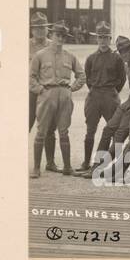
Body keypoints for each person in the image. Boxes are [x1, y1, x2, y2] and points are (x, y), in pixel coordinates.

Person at [91, 33, 130, 180]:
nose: (123, 54)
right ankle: (97, 166)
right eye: (121, 52)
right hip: (128, 102)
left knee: (120, 135)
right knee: (107, 129)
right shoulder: (127, 64)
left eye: (126, 51)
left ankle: (115, 169)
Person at [29, 21, 85, 177]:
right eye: (57, 35)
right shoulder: (40, 56)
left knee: (64, 131)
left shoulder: (70, 56)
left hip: (64, 96)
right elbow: (31, 78)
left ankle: (67, 167)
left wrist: (72, 88)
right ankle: (36, 168)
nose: (60, 38)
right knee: (41, 131)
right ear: (51, 35)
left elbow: (81, 75)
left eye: (63, 36)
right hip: (47, 95)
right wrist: (40, 90)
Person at [76, 21, 127, 174]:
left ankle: (112, 164)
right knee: (90, 130)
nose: (103, 41)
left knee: (113, 130)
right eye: (100, 38)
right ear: (96, 39)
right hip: (94, 96)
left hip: (110, 96)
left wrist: (111, 91)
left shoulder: (117, 58)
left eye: (106, 38)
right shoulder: (91, 58)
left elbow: (122, 79)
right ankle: (86, 162)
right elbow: (88, 78)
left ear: (110, 39)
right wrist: (95, 91)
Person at [28, 11, 56, 171]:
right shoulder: (25, 45)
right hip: (30, 93)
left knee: (50, 127)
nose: (40, 31)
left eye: (42, 28)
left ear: (47, 29)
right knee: (26, 125)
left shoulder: (53, 45)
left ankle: (50, 162)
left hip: (48, 92)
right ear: (32, 30)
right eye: (37, 28)